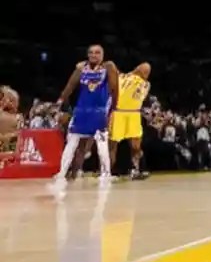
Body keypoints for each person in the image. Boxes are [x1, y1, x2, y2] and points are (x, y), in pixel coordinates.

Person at [52, 45, 119, 188]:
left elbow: (115, 89)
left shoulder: (108, 67)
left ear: (103, 54)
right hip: (81, 111)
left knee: (102, 144)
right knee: (71, 143)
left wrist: (113, 109)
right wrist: (59, 102)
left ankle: (106, 173)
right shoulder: (81, 68)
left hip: (99, 111)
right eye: (91, 52)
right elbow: (70, 86)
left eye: (97, 52)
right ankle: (62, 173)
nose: (94, 55)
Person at [108, 62, 152, 180]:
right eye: (144, 70)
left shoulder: (146, 84)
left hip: (134, 113)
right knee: (112, 144)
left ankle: (135, 170)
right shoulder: (121, 77)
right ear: (137, 69)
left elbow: (139, 96)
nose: (146, 74)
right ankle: (108, 171)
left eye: (148, 72)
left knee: (136, 145)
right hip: (119, 112)